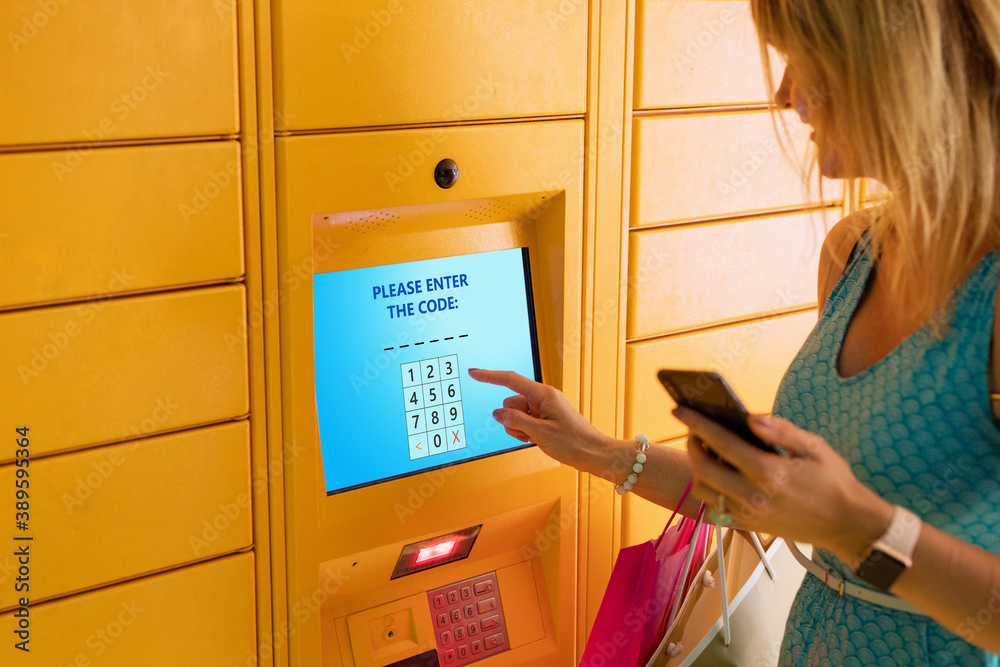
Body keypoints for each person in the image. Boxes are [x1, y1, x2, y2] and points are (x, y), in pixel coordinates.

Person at [470, 1, 1000, 663]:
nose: (784, 94)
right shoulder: (852, 254)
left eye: (802, 57)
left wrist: (859, 525)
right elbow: (772, 500)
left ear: (894, 62)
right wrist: (595, 451)